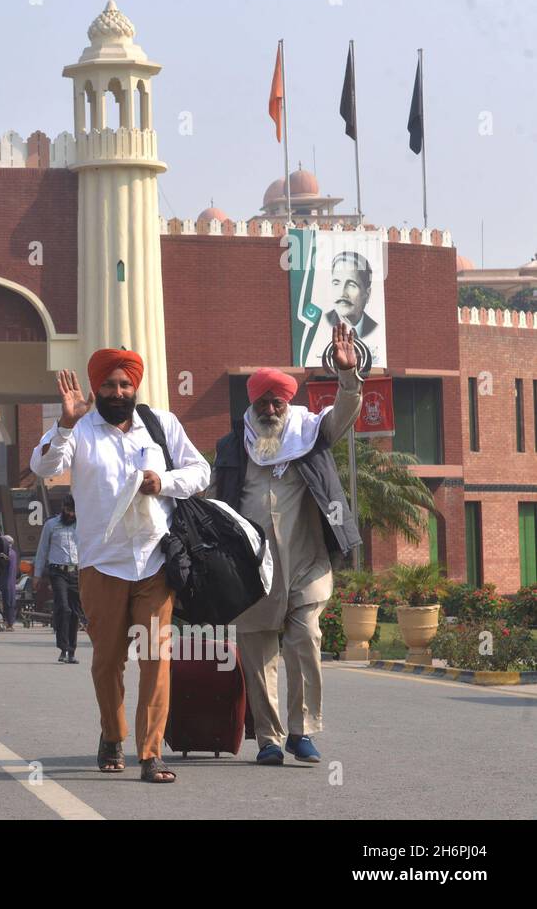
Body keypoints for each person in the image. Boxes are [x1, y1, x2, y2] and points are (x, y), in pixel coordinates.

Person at [30, 349, 209, 785]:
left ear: (135, 387)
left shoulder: (160, 425)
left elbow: (201, 471)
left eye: (124, 384)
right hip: (101, 564)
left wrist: (163, 481)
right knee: (108, 661)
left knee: (154, 657)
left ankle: (150, 753)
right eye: (108, 385)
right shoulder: (80, 430)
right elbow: (43, 465)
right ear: (96, 388)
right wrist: (66, 422)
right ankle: (112, 735)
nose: (117, 392)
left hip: (154, 561)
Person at [212, 324, 363, 766]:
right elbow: (217, 496)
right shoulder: (232, 445)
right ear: (252, 405)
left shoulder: (311, 432)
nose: (271, 408)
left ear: (288, 402)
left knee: (306, 638)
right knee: (258, 654)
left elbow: (345, 412)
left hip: (306, 561)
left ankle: (302, 731)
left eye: (278, 401)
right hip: (254, 569)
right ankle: (270, 740)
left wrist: (347, 375)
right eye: (263, 402)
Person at [34, 495, 81, 663]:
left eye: (74, 511)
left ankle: (72, 651)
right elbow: (42, 550)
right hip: (57, 572)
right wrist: (37, 575)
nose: (71, 514)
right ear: (63, 508)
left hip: (76, 573)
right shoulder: (51, 525)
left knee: (75, 612)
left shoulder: (81, 526)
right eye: (69, 510)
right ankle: (63, 647)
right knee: (63, 607)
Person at [323, 251, 379, 338]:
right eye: (336, 283)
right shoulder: (321, 324)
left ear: (367, 294)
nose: (342, 293)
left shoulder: (375, 329)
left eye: (351, 285)